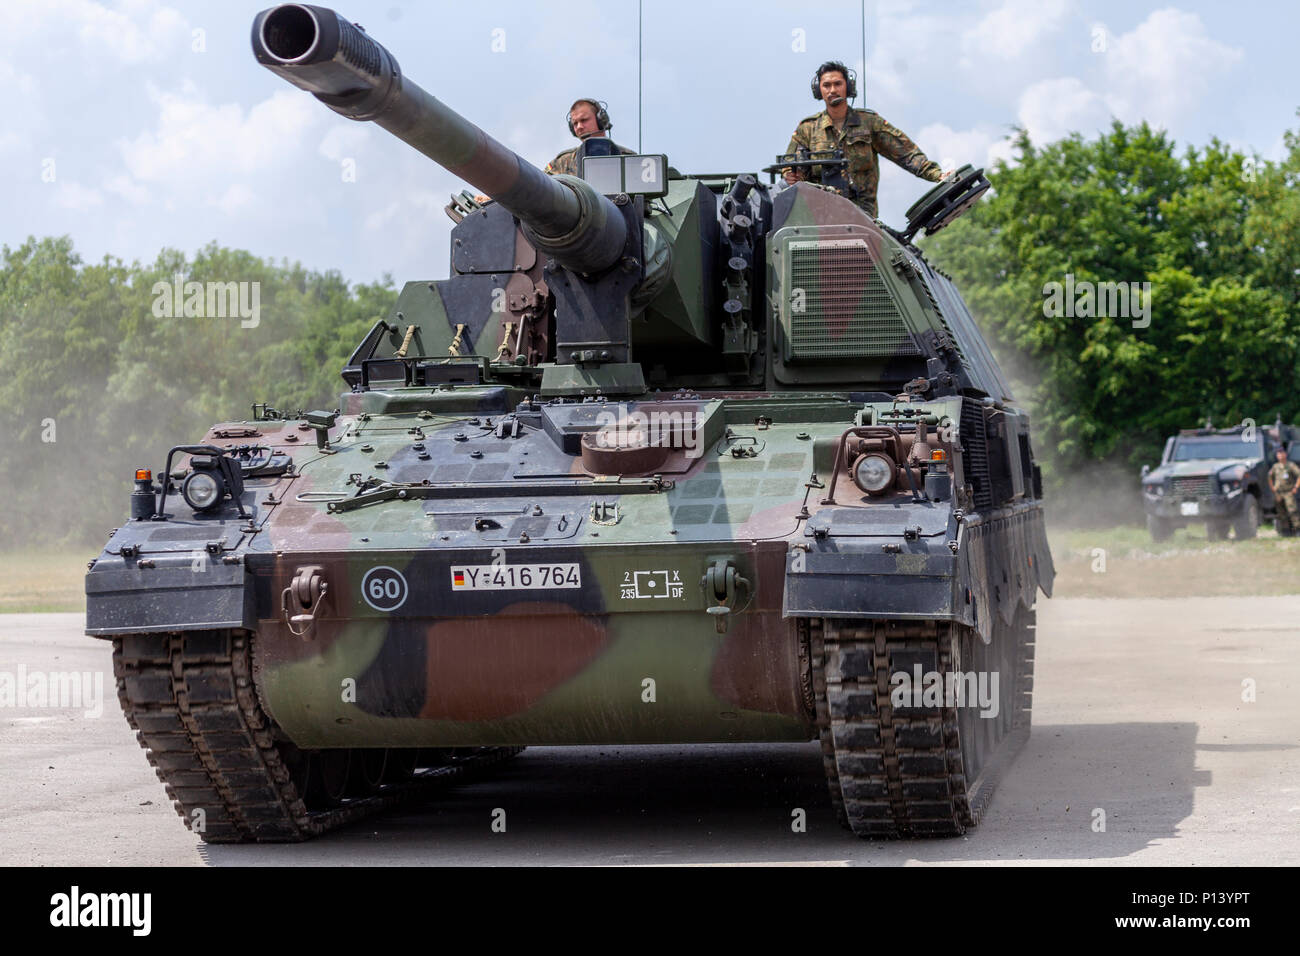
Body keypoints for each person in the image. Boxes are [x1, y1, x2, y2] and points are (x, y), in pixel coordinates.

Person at [783, 60, 949, 218]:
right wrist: (791, 176)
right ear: (819, 90)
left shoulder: (869, 123)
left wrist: (938, 175)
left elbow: (906, 154)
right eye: (826, 85)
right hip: (820, 218)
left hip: (863, 217)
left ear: (848, 86)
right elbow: (792, 167)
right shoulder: (808, 129)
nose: (832, 90)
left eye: (838, 84)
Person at [544, 98, 634, 176]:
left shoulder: (627, 158)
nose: (579, 127)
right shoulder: (563, 162)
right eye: (575, 123)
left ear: (601, 120)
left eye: (584, 120)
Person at [1268, 447, 1300, 535]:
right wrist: (1272, 488)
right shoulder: (1275, 466)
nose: (1280, 455)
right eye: (1278, 454)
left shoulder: (1290, 465)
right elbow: (1269, 477)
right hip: (1278, 493)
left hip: (1288, 492)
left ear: (1285, 454)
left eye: (1281, 453)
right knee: (1281, 512)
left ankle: (1297, 529)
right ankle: (1285, 530)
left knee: (1292, 511)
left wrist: (1296, 487)